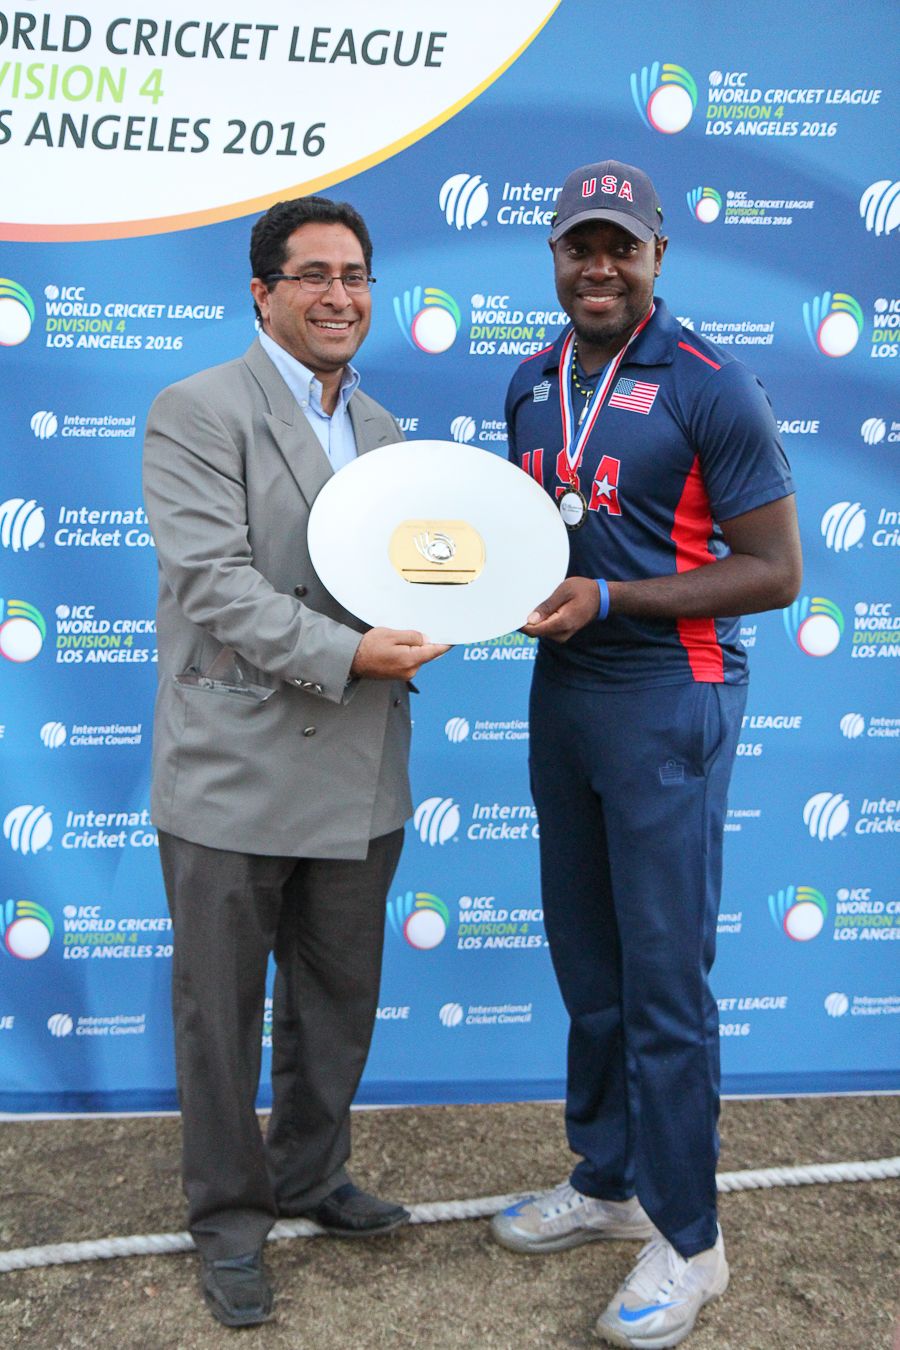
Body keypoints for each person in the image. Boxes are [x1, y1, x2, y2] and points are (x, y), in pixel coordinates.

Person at [490, 161, 802, 1348]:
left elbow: (776, 573)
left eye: (620, 245)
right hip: (564, 694)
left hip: (672, 693)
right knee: (590, 961)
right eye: (580, 246)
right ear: (557, 259)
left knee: (665, 981)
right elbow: (530, 542)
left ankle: (692, 1241)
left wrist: (611, 602)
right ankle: (609, 1181)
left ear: (658, 255)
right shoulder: (530, 381)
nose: (600, 266)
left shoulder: (710, 385)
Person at [143, 195, 447, 1328]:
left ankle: (312, 1175)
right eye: (313, 275)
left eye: (357, 274)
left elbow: (414, 579)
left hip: (361, 770)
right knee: (219, 1017)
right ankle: (229, 1221)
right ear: (262, 292)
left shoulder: (388, 435)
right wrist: (354, 650)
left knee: (337, 1000)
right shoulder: (196, 409)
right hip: (234, 769)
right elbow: (215, 587)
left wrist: (470, 599)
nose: (340, 296)